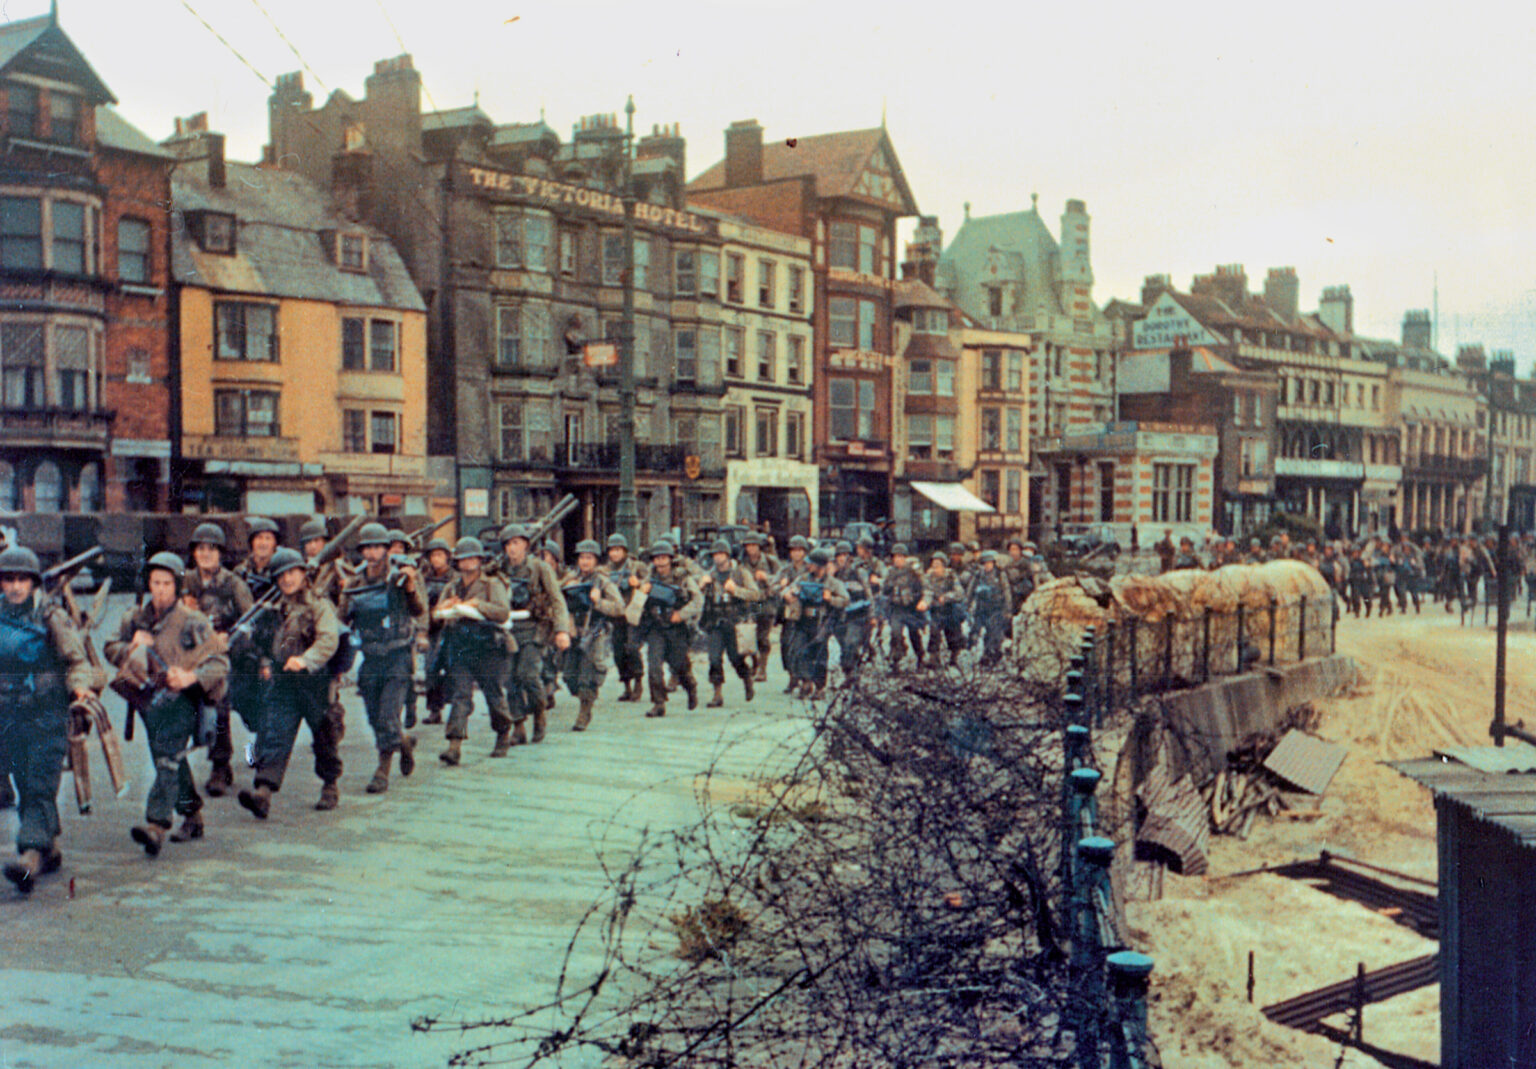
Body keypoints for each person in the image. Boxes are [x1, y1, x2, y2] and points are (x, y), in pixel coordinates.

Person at [105, 553, 229, 853]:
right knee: (170, 758)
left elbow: (219, 661)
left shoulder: (193, 621)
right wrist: (131, 646)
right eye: (155, 582)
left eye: (166, 583)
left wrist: (191, 677)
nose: (160, 589)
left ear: (177, 586)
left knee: (167, 757)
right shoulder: (135, 618)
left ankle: (157, 825)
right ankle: (192, 814)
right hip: (148, 701)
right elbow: (110, 647)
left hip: (184, 702)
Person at [0, 546, 94, 892]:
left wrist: (81, 690)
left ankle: (29, 857)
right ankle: (48, 848)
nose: (14, 586)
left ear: (33, 582)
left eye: (21, 579)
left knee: (39, 785)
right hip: (8, 716)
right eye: (8, 579)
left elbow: (77, 661)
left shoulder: (50, 616)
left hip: (46, 716)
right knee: (25, 785)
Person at [236, 548, 343, 819]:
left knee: (324, 735)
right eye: (281, 575)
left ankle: (330, 785)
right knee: (275, 732)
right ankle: (263, 792)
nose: (287, 579)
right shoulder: (273, 608)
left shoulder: (319, 604)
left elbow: (329, 639)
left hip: (313, 681)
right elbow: (261, 640)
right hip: (283, 680)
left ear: (303, 574)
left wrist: (306, 659)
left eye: (292, 573)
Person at [337, 524, 425, 794]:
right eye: (368, 548)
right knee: (375, 717)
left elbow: (418, 609)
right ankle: (404, 742)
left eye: (378, 547)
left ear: (387, 551)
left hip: (398, 655)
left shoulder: (399, 578)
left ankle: (382, 770)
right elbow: (342, 621)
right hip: (371, 657)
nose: (373, 553)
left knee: (388, 715)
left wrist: (409, 587)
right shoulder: (354, 583)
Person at [182, 521, 253, 797]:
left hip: (225, 657)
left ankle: (220, 765)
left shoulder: (233, 584)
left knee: (219, 705)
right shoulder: (186, 581)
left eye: (212, 549)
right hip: (191, 655)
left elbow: (250, 623)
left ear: (221, 553)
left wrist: (229, 638)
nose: (206, 554)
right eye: (201, 549)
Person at [435, 537, 513, 766]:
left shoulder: (492, 585)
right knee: (460, 695)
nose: (467, 562)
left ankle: (503, 733)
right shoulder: (451, 586)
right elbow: (436, 614)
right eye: (463, 558)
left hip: (488, 647)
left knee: (493, 694)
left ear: (480, 560)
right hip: (461, 647)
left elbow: (502, 613)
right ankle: (454, 745)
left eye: (472, 558)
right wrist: (444, 608)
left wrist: (477, 605)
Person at [497, 524, 572, 746]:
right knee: (509, 679)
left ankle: (539, 713)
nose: (512, 548)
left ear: (526, 545)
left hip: (534, 629)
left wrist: (561, 630)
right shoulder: (500, 569)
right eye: (508, 544)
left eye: (516, 543)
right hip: (508, 629)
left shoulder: (539, 568)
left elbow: (557, 600)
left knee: (528, 675)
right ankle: (518, 725)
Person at [626, 542, 702, 718]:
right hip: (656, 627)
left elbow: (697, 601)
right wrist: (641, 592)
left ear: (670, 559)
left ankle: (690, 686)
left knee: (679, 665)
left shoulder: (682, 578)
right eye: (656, 559)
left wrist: (681, 614)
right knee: (654, 665)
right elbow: (635, 608)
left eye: (663, 558)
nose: (660, 563)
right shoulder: (649, 579)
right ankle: (658, 702)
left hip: (676, 627)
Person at [230, 517, 281, 766]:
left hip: (273, 639)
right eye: (259, 538)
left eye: (268, 538)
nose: (263, 543)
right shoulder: (240, 573)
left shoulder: (282, 570)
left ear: (275, 544)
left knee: (267, 697)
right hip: (247, 643)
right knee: (240, 698)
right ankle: (259, 735)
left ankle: (261, 751)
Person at [559, 540, 625, 730]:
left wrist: (599, 602)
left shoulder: (603, 581)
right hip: (574, 632)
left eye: (589, 558)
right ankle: (584, 699)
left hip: (594, 632)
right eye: (582, 557)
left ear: (596, 560)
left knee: (588, 677)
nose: (585, 562)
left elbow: (619, 608)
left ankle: (584, 712)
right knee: (569, 676)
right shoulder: (572, 578)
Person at [696, 538, 761, 707]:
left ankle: (746, 678)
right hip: (715, 621)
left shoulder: (740, 573)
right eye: (715, 554)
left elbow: (756, 595)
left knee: (736, 658)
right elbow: (696, 594)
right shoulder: (710, 574)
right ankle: (717, 694)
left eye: (721, 554)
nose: (717, 558)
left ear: (727, 555)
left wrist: (736, 590)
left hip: (734, 622)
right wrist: (701, 586)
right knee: (714, 658)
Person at [781, 547, 848, 698]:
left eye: (811, 564)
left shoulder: (833, 583)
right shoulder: (803, 578)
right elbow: (788, 590)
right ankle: (806, 681)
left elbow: (845, 600)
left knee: (819, 655)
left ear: (820, 565)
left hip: (821, 623)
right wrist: (788, 595)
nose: (808, 566)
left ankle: (819, 687)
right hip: (802, 621)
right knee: (799, 651)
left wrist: (830, 599)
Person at [601, 533, 647, 702]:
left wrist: (639, 583)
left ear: (625, 551)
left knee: (632, 648)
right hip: (617, 615)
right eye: (612, 550)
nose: (614, 554)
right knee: (619, 651)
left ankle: (638, 682)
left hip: (633, 613)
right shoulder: (606, 570)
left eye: (618, 550)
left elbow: (650, 582)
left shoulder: (636, 566)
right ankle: (626, 685)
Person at [416, 538, 456, 726]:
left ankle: (457, 707)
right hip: (431, 628)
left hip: (450, 629)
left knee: (452, 668)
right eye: (433, 555)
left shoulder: (455, 578)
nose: (436, 559)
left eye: (440, 555)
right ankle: (434, 709)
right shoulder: (424, 577)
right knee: (430, 669)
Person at [740, 532, 781, 683]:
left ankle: (762, 669)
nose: (751, 548)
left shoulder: (770, 562)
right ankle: (755, 663)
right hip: (750, 603)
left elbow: (781, 581)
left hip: (766, 602)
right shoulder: (742, 562)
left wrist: (767, 578)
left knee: (762, 637)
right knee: (749, 636)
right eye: (748, 545)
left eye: (754, 545)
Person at [773, 536, 812, 692]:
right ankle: (792, 677)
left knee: (802, 647)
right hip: (789, 613)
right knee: (785, 645)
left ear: (804, 552)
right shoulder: (786, 570)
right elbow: (773, 586)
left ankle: (805, 679)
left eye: (799, 550)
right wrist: (783, 590)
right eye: (793, 550)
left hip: (805, 613)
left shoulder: (810, 569)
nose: (796, 554)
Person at [832, 541, 876, 676]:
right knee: (845, 646)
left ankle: (852, 676)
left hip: (857, 616)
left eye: (845, 555)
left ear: (850, 556)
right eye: (839, 555)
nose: (842, 558)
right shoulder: (834, 573)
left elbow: (869, 594)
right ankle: (850, 673)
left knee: (850, 644)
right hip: (840, 616)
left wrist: (872, 615)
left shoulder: (858, 572)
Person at [884, 544, 927, 670]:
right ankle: (896, 660)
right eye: (895, 557)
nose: (897, 559)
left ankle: (920, 657)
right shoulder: (891, 572)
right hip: (897, 609)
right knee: (895, 633)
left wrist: (920, 600)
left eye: (900, 557)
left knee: (914, 633)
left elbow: (923, 586)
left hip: (911, 608)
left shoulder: (913, 572)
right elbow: (885, 590)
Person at [966, 551, 1012, 666]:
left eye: (990, 563)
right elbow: (970, 590)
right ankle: (980, 652)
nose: (988, 565)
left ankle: (990, 654)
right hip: (981, 607)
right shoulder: (978, 575)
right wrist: (967, 604)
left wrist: (1008, 609)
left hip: (996, 607)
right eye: (985, 563)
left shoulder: (1000, 574)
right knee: (975, 630)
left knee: (994, 632)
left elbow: (1006, 591)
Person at [923, 553, 967, 667]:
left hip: (950, 609)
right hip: (936, 610)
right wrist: (926, 602)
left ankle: (954, 656)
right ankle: (934, 658)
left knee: (954, 633)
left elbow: (960, 593)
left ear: (944, 566)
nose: (935, 569)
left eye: (937, 565)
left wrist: (947, 597)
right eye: (933, 565)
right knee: (934, 632)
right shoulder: (928, 577)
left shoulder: (951, 576)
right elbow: (927, 591)